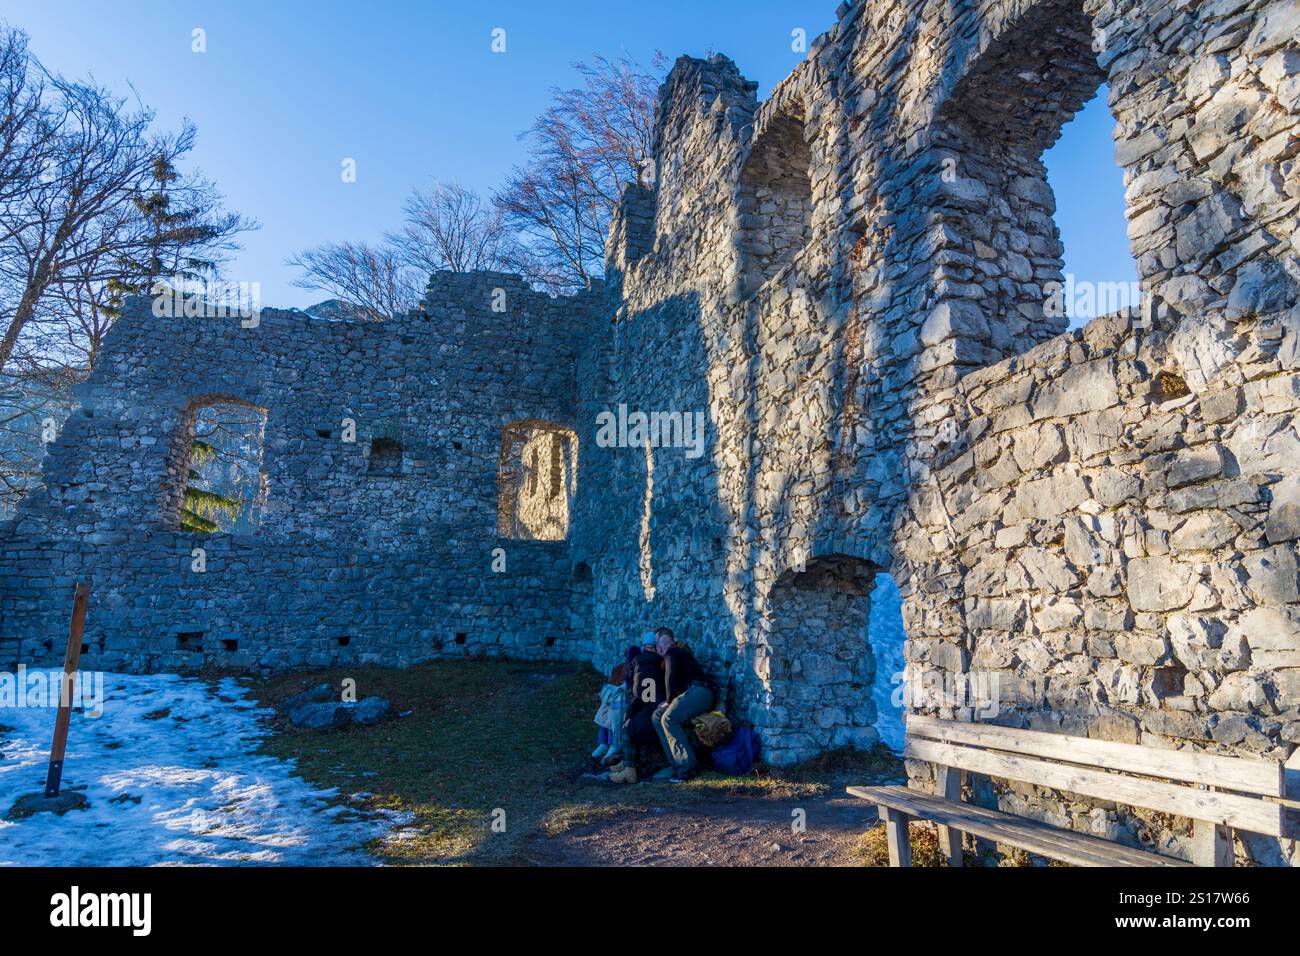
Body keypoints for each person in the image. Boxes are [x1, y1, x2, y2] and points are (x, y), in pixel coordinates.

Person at [651, 626, 713, 782]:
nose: (656, 647)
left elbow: (670, 677)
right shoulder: (676, 655)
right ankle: (675, 764)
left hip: (700, 692)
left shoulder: (672, 653)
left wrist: (669, 700)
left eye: (656, 642)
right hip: (694, 693)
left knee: (668, 719)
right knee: (657, 717)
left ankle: (687, 767)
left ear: (661, 644)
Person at [607, 634, 664, 784]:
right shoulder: (655, 663)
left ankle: (629, 770)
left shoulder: (646, 666)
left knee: (629, 728)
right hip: (654, 709)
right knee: (630, 721)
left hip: (651, 713)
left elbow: (645, 696)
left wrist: (630, 715)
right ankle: (626, 761)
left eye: (651, 647)